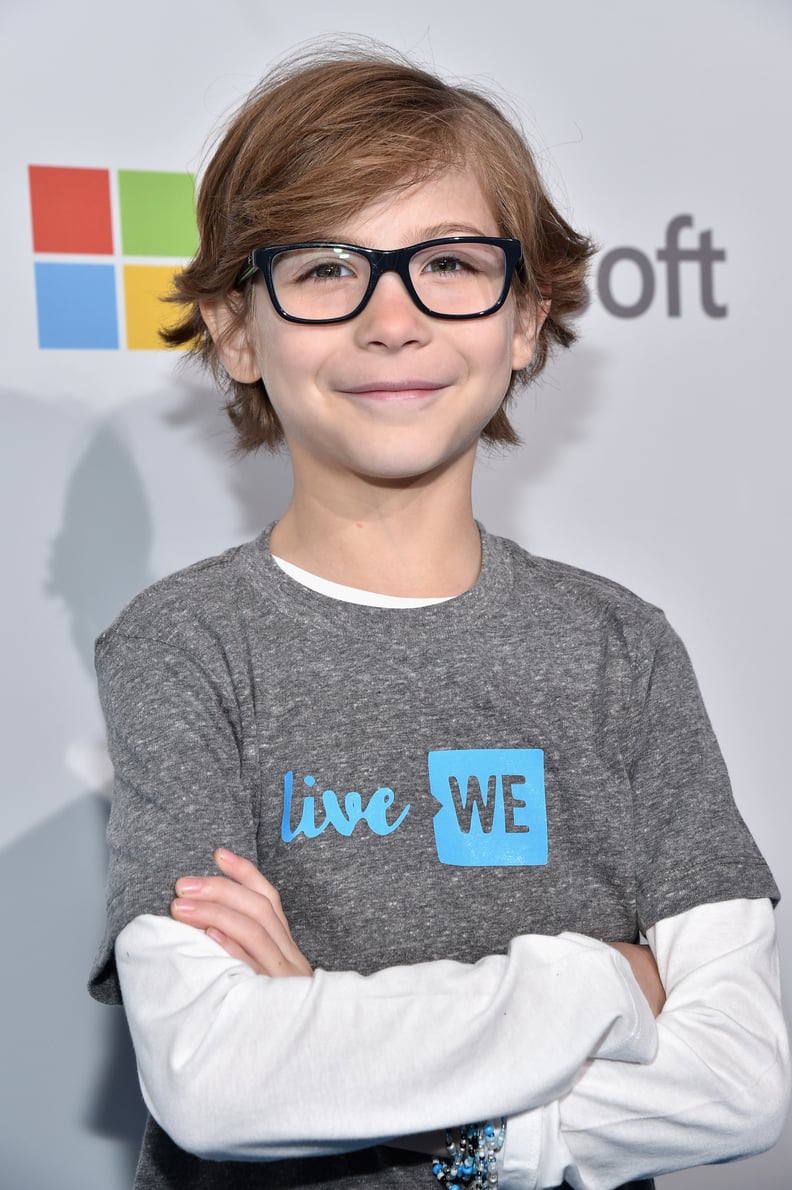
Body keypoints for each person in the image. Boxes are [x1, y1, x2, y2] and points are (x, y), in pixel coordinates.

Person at [89, 45, 789, 1190]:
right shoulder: (186, 646)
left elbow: (740, 1076)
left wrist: (334, 1032)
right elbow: (216, 1076)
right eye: (326, 268)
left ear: (525, 317)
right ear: (236, 327)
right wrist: (598, 980)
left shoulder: (621, 647)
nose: (393, 320)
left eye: (450, 263)